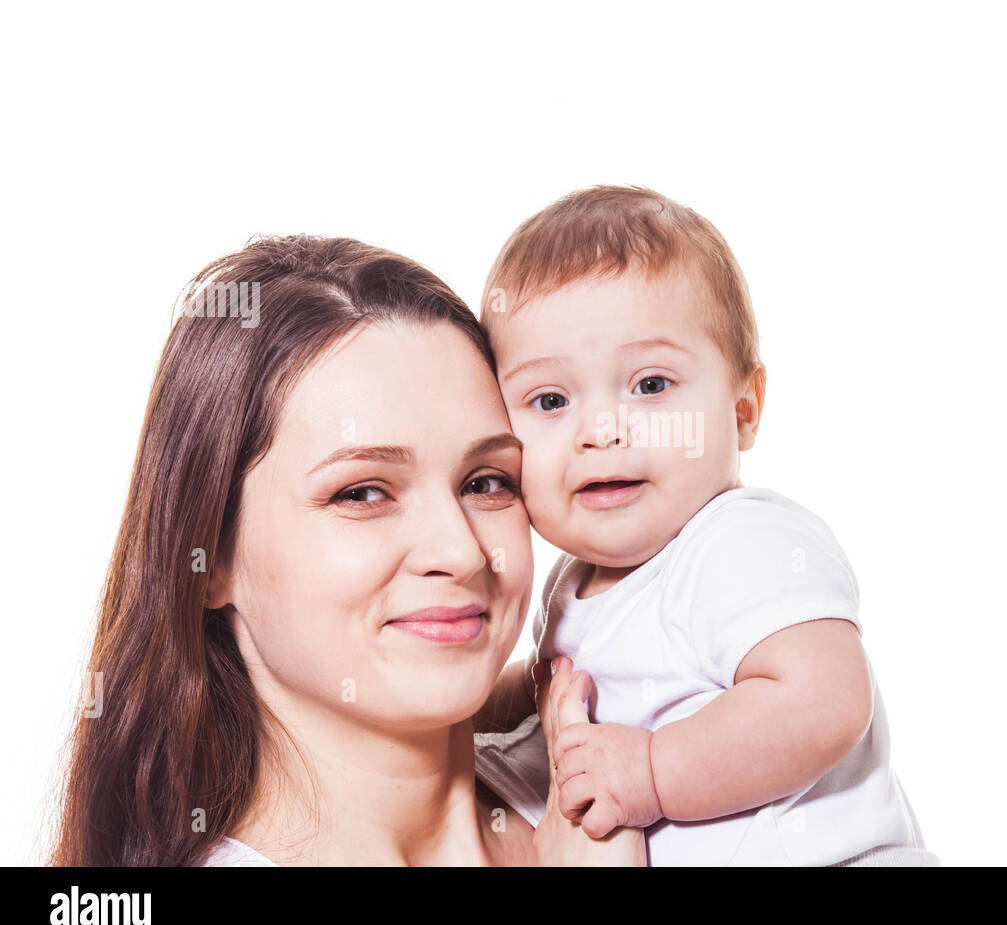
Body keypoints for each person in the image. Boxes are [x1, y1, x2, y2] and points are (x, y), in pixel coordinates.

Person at [47, 235, 644, 866]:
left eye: (486, 482)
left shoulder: (635, 771)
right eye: (361, 493)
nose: (462, 552)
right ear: (208, 557)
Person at [474, 186, 938, 866]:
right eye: (550, 399)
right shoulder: (575, 580)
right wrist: (478, 707)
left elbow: (826, 701)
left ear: (744, 409)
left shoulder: (740, 543)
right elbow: (566, 683)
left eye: (652, 385)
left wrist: (654, 772)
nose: (602, 430)